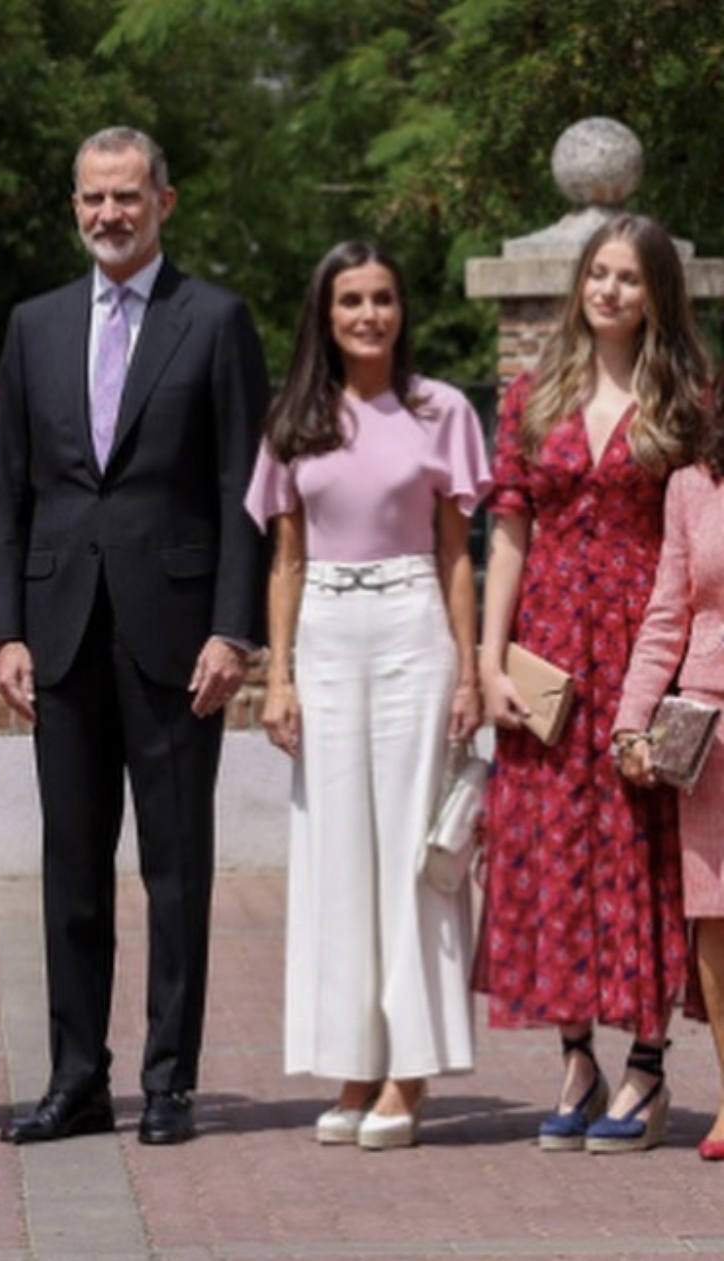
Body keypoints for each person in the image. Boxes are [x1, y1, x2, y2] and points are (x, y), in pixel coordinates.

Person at [0, 125, 269, 1146]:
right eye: (93, 197)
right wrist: (5, 633)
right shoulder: (35, 325)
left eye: (128, 196)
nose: (110, 213)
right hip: (61, 632)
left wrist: (234, 629)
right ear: (75, 205)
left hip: (178, 636)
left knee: (176, 868)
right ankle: (76, 1079)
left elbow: (245, 490)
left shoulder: (216, 320)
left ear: (164, 202)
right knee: (71, 870)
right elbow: (9, 493)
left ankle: (169, 1081)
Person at [244, 241, 489, 1150]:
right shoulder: (294, 419)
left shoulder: (441, 410)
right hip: (325, 636)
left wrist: (469, 672)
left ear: (401, 310)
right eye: (351, 300)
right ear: (326, 312)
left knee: (411, 848)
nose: (369, 314)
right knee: (336, 851)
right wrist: (279, 676)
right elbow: (286, 561)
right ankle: (353, 1061)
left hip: (413, 629)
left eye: (383, 298)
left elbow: (459, 554)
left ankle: (408, 1070)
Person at [476, 213, 710, 1154]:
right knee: (554, 849)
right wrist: (489, 658)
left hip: (646, 647)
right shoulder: (533, 396)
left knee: (646, 852)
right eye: (599, 274)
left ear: (657, 293)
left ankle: (648, 1065)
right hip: (548, 651)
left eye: (629, 278)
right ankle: (577, 1057)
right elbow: (508, 532)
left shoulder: (688, 401)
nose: (609, 290)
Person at [613, 382, 724, 1161]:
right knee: (716, 914)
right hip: (712, 723)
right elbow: (666, 612)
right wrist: (632, 718)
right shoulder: (692, 482)